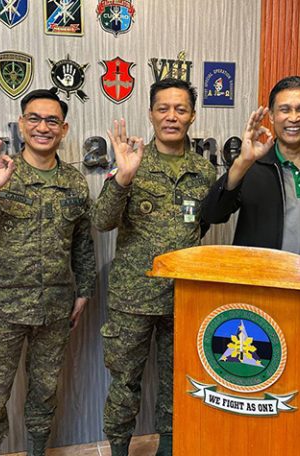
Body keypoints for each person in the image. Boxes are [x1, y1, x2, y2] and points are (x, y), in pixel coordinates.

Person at [201, 75, 300, 456]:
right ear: (271, 115)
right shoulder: (254, 163)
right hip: (261, 304)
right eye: (284, 109)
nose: (293, 117)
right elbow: (211, 214)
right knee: (258, 390)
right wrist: (242, 162)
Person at [0, 89, 96, 456]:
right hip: (3, 310)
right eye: (34, 118)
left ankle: (37, 451)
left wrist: (84, 291)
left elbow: (83, 243)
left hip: (54, 310)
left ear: (64, 129)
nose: (42, 127)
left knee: (45, 392)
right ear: (21, 123)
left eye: (51, 121)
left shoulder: (75, 182)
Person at [92, 78, 217, 456]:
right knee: (124, 383)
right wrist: (123, 178)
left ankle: (170, 447)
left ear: (192, 116)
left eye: (180, 109)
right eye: (163, 108)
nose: (171, 116)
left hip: (183, 297)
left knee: (179, 381)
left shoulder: (204, 172)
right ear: (151, 113)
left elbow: (200, 226)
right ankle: (117, 449)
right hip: (133, 298)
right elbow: (102, 220)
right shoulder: (133, 160)